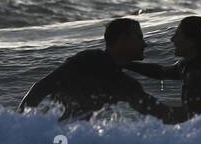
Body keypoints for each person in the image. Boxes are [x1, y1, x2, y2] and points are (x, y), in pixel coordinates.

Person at [18, 17, 181, 122]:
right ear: (123, 40)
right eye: (139, 37)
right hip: (57, 138)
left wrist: (197, 116)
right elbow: (41, 87)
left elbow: (158, 111)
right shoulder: (86, 61)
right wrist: (20, 123)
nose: (144, 44)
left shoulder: (125, 83)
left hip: (72, 139)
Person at [124, 16, 201, 117]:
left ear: (191, 41)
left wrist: (152, 109)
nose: (172, 39)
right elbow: (161, 72)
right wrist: (127, 64)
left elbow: (194, 115)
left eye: (177, 35)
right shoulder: (189, 66)